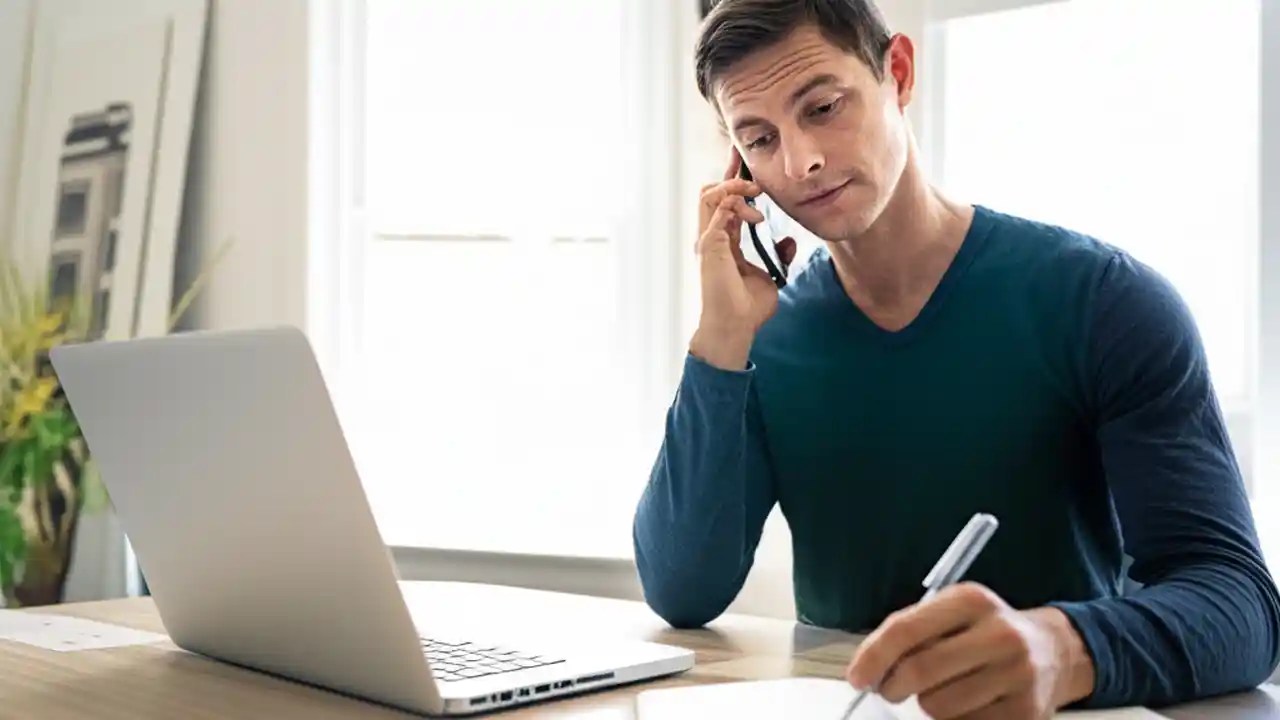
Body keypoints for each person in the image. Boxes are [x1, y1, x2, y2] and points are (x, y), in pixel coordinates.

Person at [631, 0, 1280, 717]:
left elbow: (1241, 605)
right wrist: (719, 343)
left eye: (822, 107)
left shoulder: (1103, 301)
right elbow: (683, 591)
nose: (800, 162)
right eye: (759, 138)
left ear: (898, 73)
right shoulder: (764, 339)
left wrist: (1062, 648)